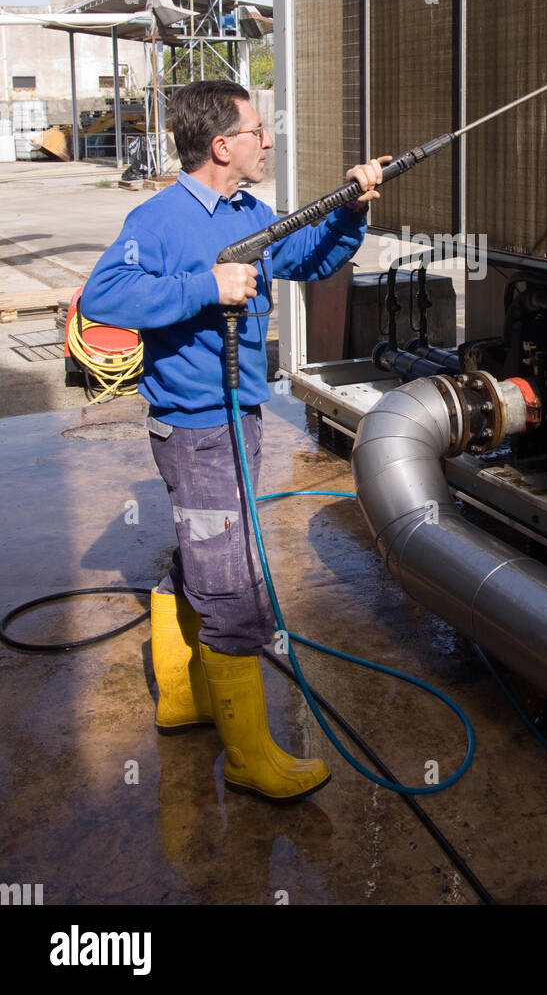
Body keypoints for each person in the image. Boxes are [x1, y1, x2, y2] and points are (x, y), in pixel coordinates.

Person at [81, 79, 389, 803]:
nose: (269, 141)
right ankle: (250, 757)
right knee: (232, 579)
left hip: (239, 415)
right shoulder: (157, 220)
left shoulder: (252, 212)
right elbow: (102, 298)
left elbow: (307, 259)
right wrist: (203, 286)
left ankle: (184, 699)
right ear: (223, 145)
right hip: (194, 427)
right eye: (258, 131)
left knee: (204, 551)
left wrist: (349, 209)